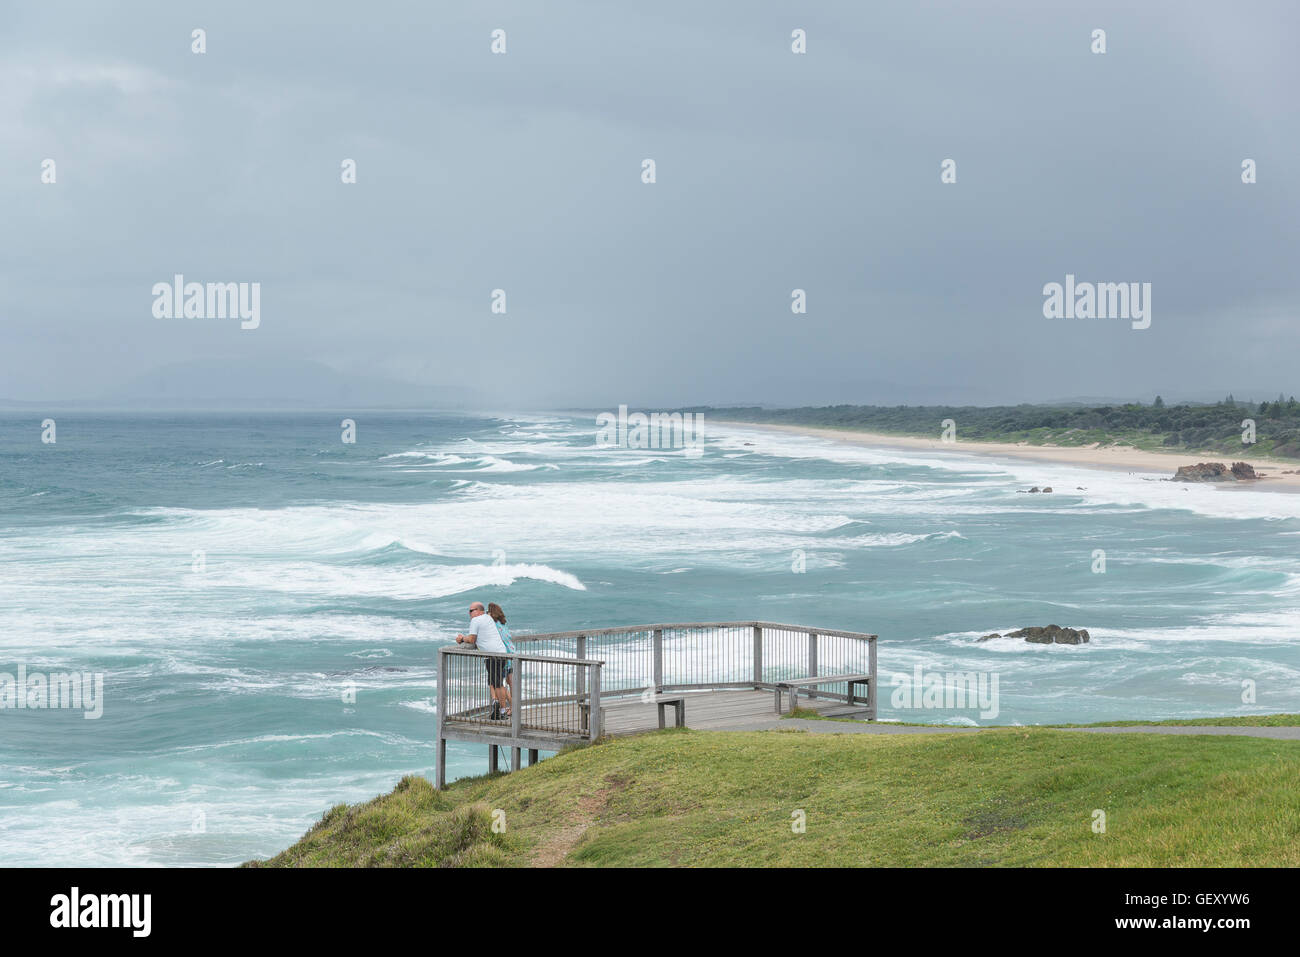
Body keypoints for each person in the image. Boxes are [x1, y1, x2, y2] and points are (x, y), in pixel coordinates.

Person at [456, 600, 512, 720]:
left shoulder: (476, 620)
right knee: (498, 683)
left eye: (471, 611)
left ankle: (502, 711)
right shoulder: (488, 618)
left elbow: (471, 639)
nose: (469, 613)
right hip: (501, 653)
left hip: (492, 655)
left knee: (497, 685)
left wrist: (461, 638)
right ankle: (500, 710)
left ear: (478, 611)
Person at [487, 603, 516, 704]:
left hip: (501, 654)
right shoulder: (502, 623)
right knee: (509, 682)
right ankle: (513, 707)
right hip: (510, 652)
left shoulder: (493, 623)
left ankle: (503, 704)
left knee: (496, 683)